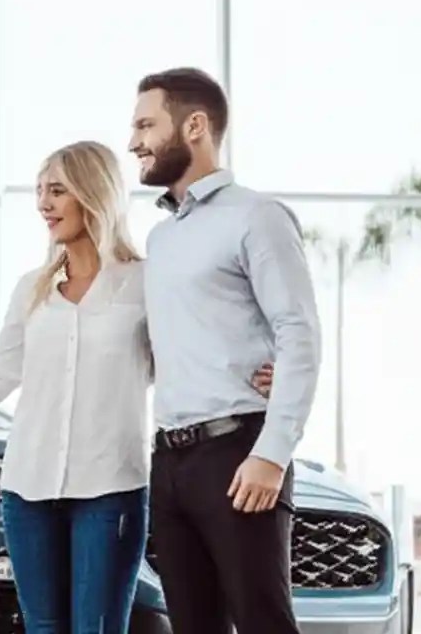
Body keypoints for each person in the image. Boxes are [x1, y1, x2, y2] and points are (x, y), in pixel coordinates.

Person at [0, 141, 274, 633]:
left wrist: (262, 367)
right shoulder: (32, 290)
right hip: (27, 490)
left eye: (57, 190)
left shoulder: (147, 282)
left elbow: (192, 352)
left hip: (111, 491)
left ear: (93, 193)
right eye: (40, 191)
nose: (44, 204)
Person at [129, 66, 321, 634]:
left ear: (194, 126)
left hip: (238, 452)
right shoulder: (161, 239)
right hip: (169, 462)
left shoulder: (256, 216)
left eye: (145, 124)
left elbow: (300, 333)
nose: (133, 141)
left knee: (263, 622)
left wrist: (272, 452)